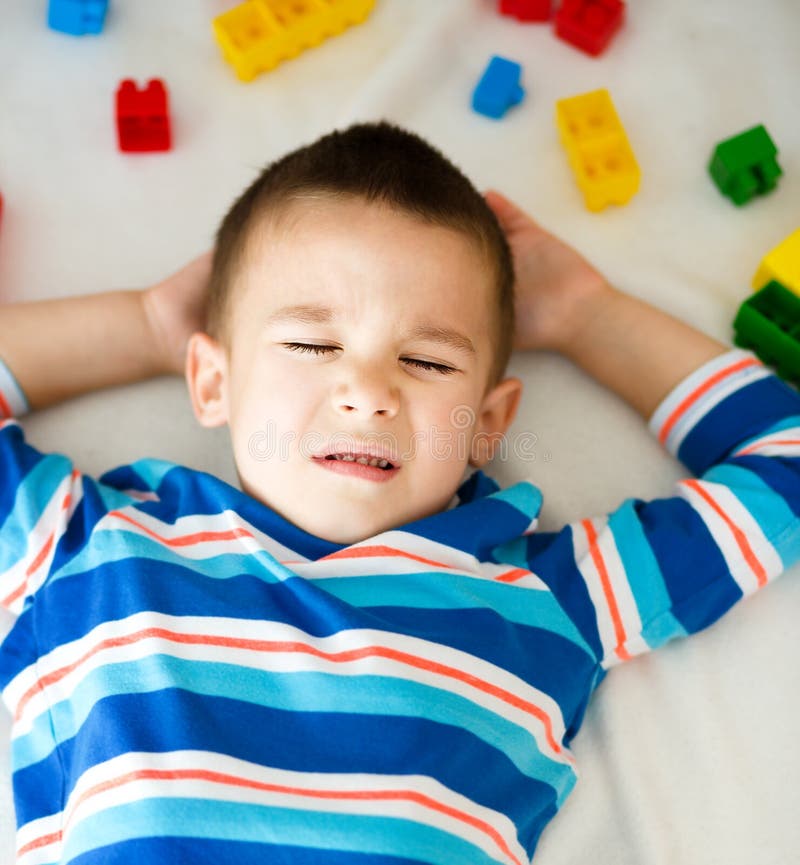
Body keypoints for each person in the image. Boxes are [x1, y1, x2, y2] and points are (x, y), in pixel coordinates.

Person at [0, 121, 797, 865]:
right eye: (313, 343)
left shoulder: (545, 597)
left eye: (427, 361)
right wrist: (143, 326)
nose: (367, 392)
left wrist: (591, 316)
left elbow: (785, 460)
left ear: (489, 422)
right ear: (212, 381)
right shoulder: (87, 549)